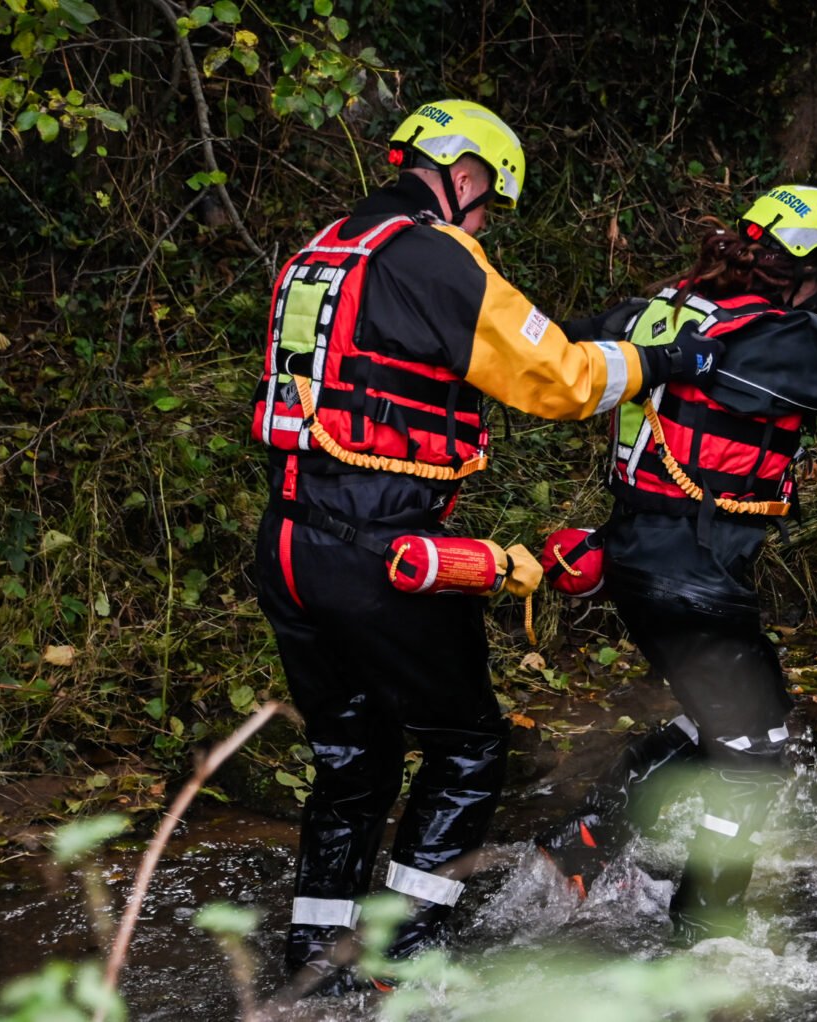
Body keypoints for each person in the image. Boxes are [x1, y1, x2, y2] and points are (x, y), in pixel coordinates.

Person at [251, 98, 722, 993]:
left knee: (353, 754)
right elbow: (563, 380)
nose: (484, 224)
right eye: (487, 205)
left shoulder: (324, 248)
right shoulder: (432, 255)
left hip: (288, 541)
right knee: (466, 746)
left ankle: (313, 969)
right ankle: (399, 964)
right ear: (464, 177)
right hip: (378, 549)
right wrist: (660, 361)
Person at [534, 184, 817, 944]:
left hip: (639, 556)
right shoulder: (774, 342)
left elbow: (789, 346)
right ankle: (705, 928)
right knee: (753, 760)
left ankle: (585, 840)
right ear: (807, 270)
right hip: (692, 579)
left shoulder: (672, 308)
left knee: (738, 717)